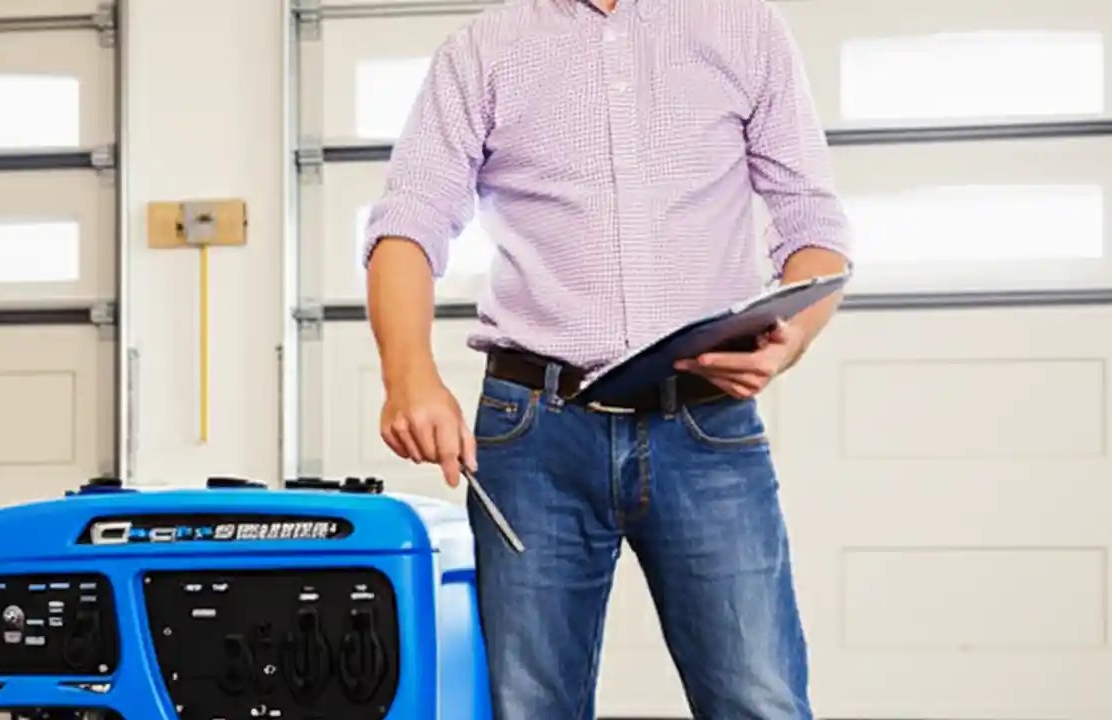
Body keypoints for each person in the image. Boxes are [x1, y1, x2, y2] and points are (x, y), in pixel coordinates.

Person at [363, 0, 853, 717]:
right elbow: (408, 223)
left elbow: (813, 224)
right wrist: (408, 376)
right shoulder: (482, 50)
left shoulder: (745, 29)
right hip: (534, 437)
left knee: (760, 701)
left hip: (707, 429)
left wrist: (795, 335)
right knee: (530, 708)